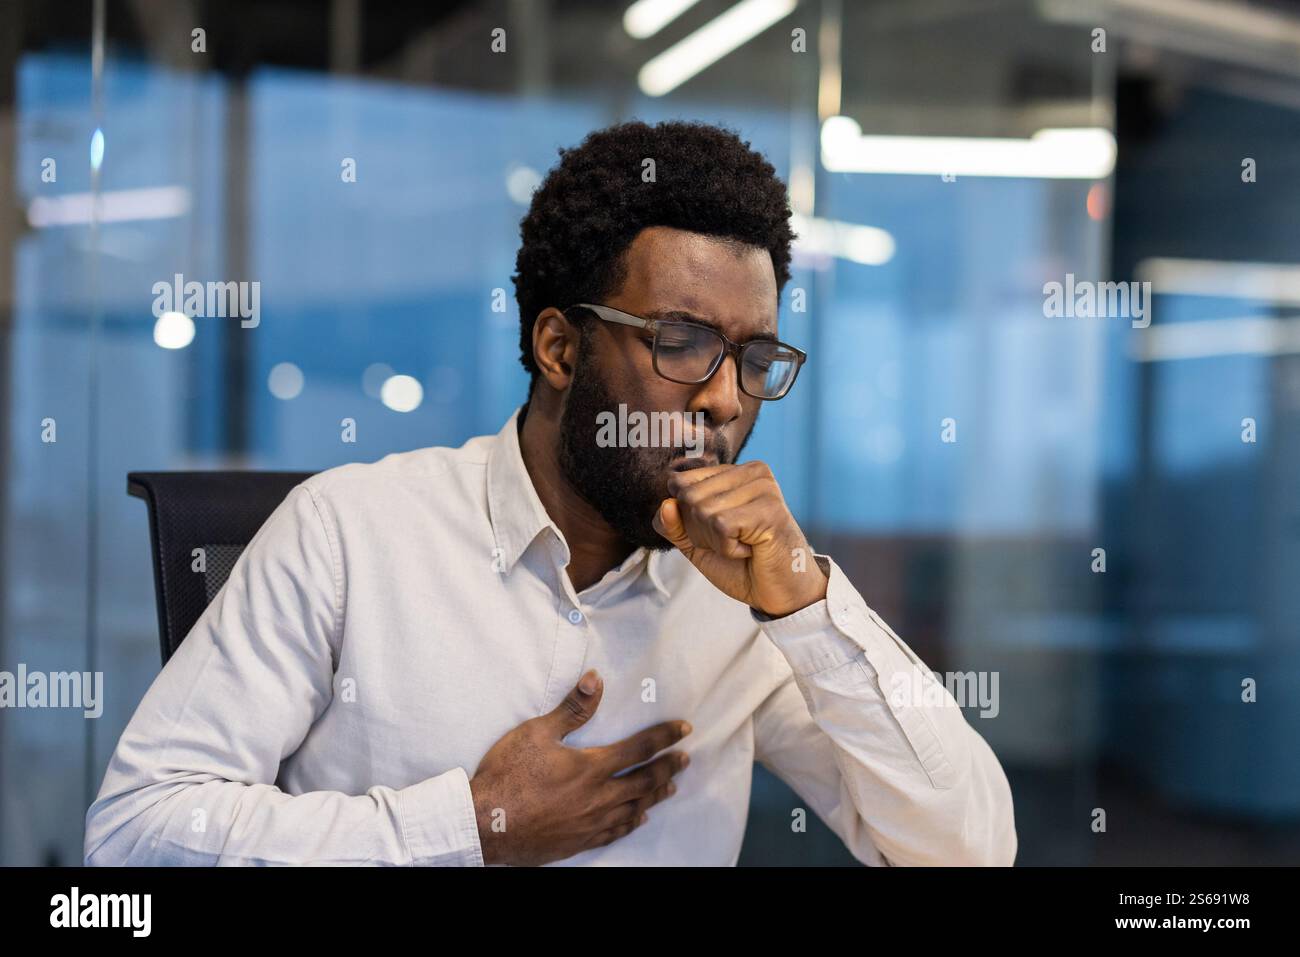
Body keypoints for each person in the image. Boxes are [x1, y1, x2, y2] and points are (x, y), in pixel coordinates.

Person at [85, 120, 1016, 866]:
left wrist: (808, 606)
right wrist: (468, 829)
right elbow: (134, 836)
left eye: (754, 357)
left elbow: (965, 852)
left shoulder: (743, 600)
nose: (726, 399)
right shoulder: (351, 533)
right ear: (561, 348)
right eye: (681, 343)